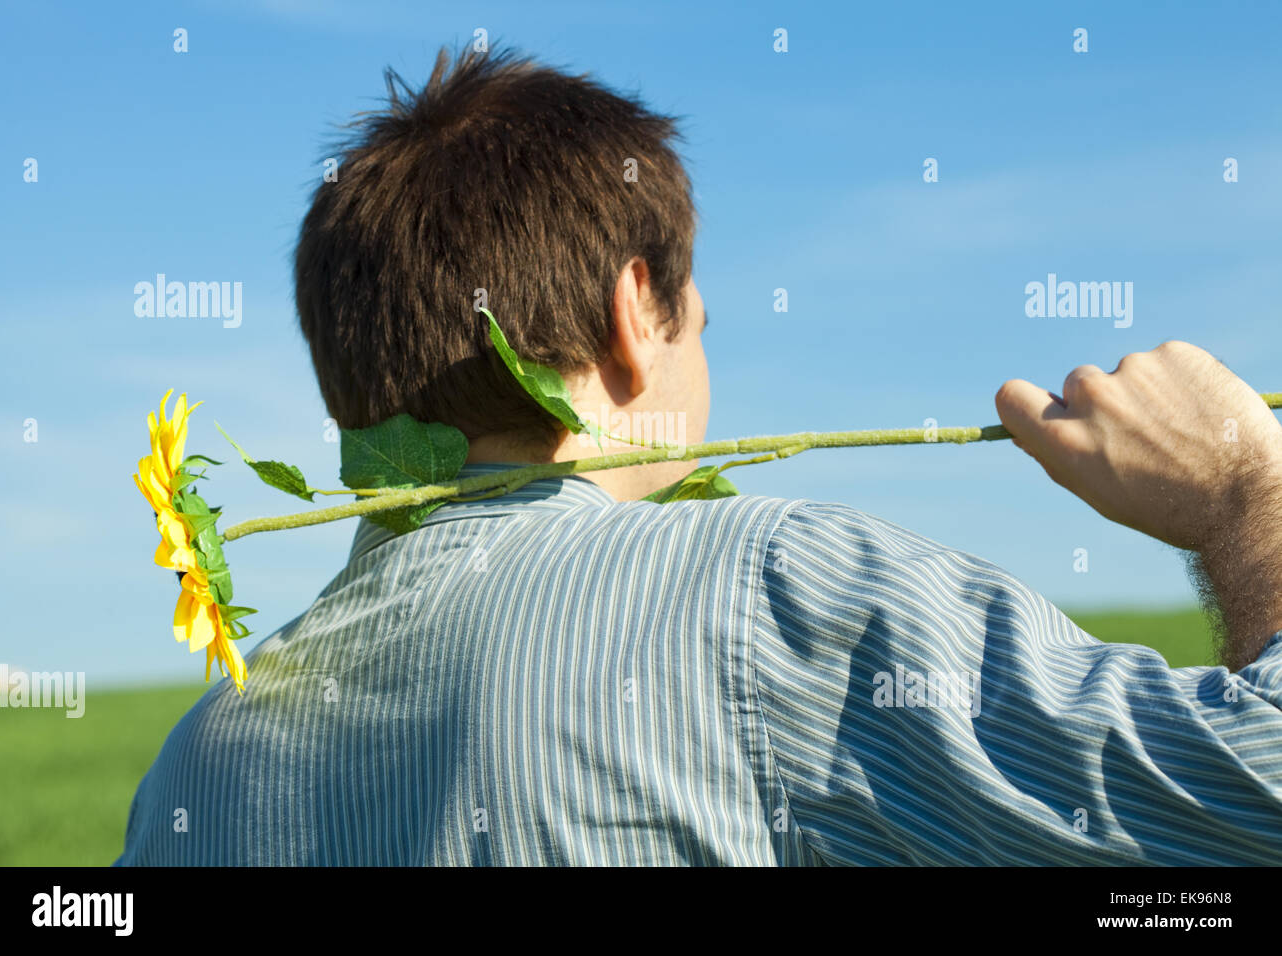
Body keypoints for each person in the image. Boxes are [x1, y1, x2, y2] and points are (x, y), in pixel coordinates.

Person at [115, 45, 1282, 866]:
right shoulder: (766, 591)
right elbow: (1255, 793)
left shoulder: (196, 763)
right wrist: (1248, 494)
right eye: (698, 316)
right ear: (635, 309)